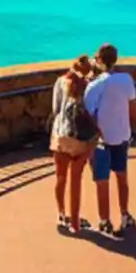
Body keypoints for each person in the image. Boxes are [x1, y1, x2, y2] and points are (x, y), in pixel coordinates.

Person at [84, 43, 136, 237]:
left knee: (102, 181)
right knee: (122, 177)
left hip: (101, 141)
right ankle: (124, 214)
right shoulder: (127, 80)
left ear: (99, 61)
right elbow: (133, 108)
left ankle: (104, 220)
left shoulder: (94, 86)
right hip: (122, 136)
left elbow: (87, 115)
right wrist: (132, 130)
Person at [49, 56, 97, 234]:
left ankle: (61, 214)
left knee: (60, 177)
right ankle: (75, 223)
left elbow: (55, 109)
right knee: (76, 181)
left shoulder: (60, 82)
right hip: (78, 140)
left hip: (60, 136)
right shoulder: (88, 86)